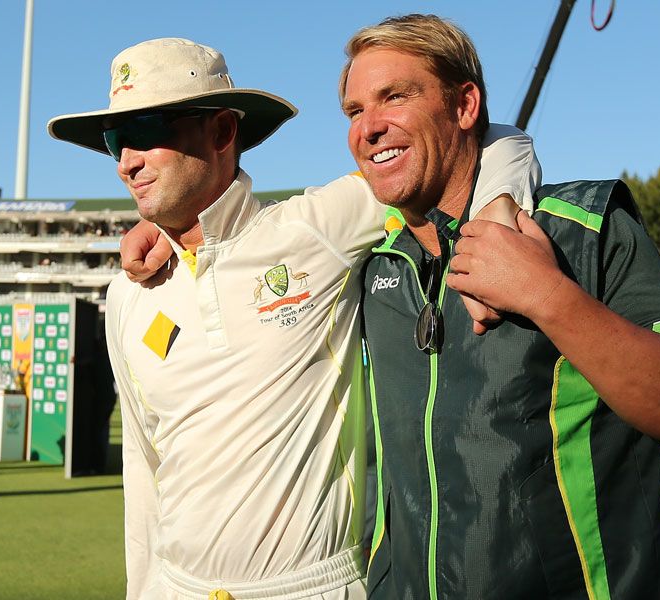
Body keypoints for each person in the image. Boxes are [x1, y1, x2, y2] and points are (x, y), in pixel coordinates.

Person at [49, 36, 538, 599]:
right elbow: (142, 468)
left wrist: (500, 206)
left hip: (314, 587)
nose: (127, 163)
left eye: (147, 132)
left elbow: (485, 143)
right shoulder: (129, 294)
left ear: (223, 132)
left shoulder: (317, 227)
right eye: (116, 142)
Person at [342, 14, 660, 599]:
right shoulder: (371, 265)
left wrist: (546, 293)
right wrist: (161, 233)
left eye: (395, 96)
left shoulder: (587, 227)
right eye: (353, 110)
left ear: (466, 105)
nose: (368, 127)